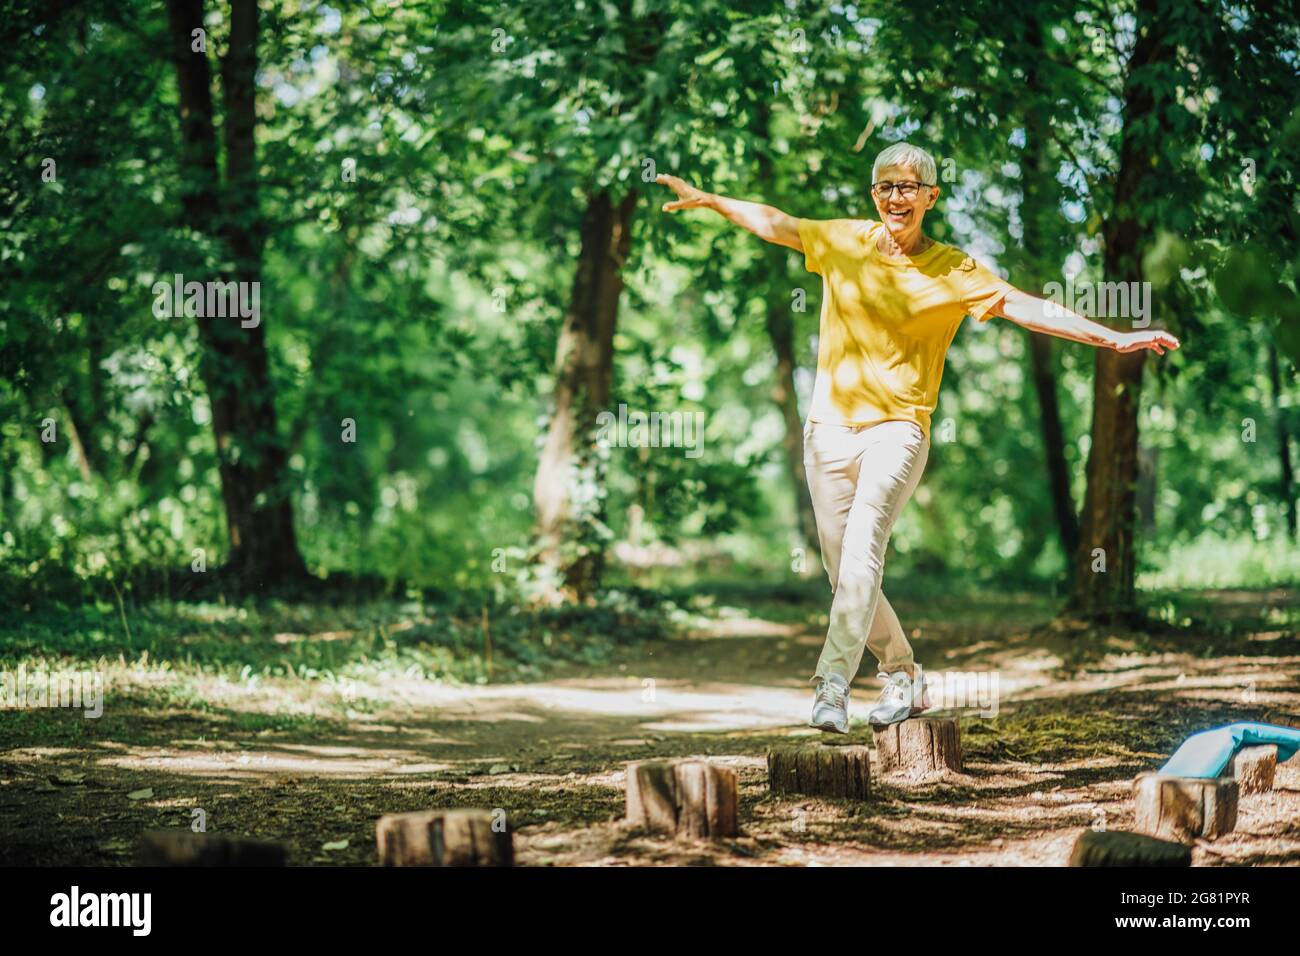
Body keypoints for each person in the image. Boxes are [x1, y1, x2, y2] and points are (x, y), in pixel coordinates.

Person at [655, 142, 1179, 732]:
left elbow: (1029, 307)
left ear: (931, 195)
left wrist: (1113, 339)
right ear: (872, 194)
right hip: (826, 431)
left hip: (897, 430)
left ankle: (831, 685)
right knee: (843, 570)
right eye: (883, 186)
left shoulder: (954, 270)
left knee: (862, 551)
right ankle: (904, 674)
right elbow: (777, 222)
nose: (894, 197)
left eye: (907, 186)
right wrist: (711, 201)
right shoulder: (843, 241)